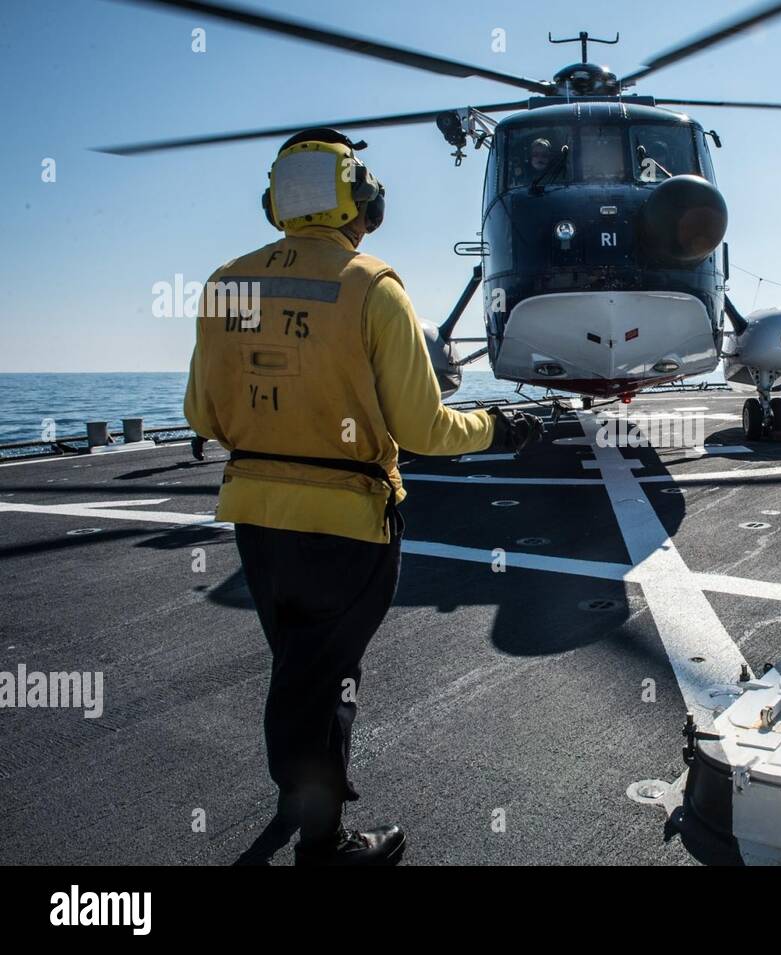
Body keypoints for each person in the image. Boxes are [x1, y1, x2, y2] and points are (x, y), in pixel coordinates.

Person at [184, 128, 542, 866]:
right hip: (348, 526)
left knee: (299, 664)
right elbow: (426, 428)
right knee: (328, 674)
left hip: (255, 518)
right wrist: (500, 427)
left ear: (274, 202)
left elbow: (202, 416)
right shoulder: (372, 286)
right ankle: (325, 845)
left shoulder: (227, 283)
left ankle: (303, 792)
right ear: (363, 201)